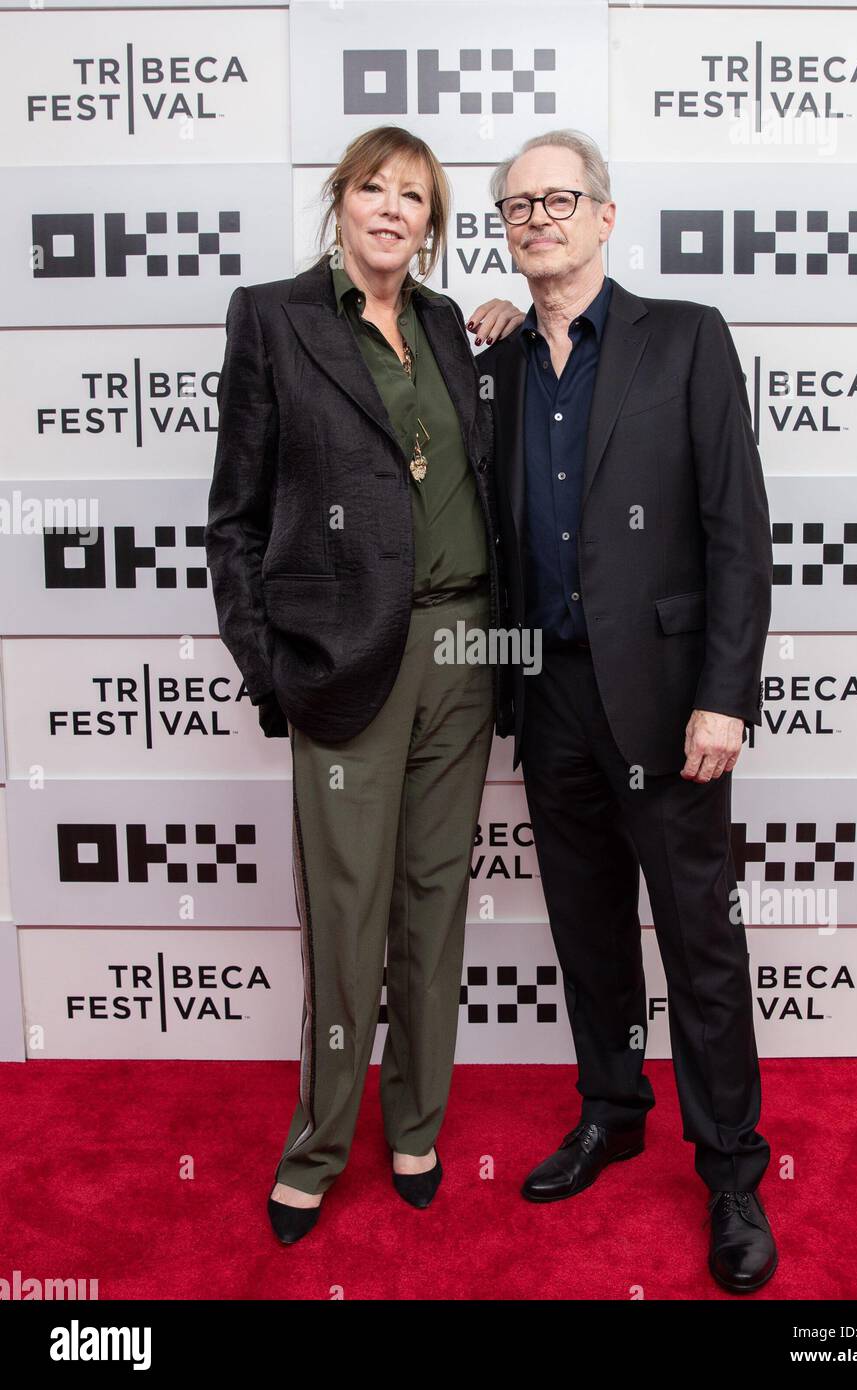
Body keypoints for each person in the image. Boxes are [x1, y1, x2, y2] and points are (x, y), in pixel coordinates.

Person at [205, 125, 521, 1244]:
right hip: (344, 665)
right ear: (340, 202)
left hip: (465, 653)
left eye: (415, 197)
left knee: (434, 907)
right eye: (374, 188)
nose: (392, 208)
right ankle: (320, 1143)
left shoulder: (449, 327)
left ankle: (418, 1124)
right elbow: (234, 517)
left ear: (432, 226)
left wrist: (512, 325)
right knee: (345, 919)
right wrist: (269, 667)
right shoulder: (275, 318)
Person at [476, 129, 777, 1293]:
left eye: (561, 198)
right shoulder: (491, 363)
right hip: (544, 691)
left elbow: (737, 531)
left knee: (700, 940)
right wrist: (487, 323)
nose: (539, 217)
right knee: (587, 928)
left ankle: (735, 1170)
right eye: (517, 205)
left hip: (664, 704)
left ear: (606, 215)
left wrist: (722, 696)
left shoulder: (686, 338)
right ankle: (613, 1109)